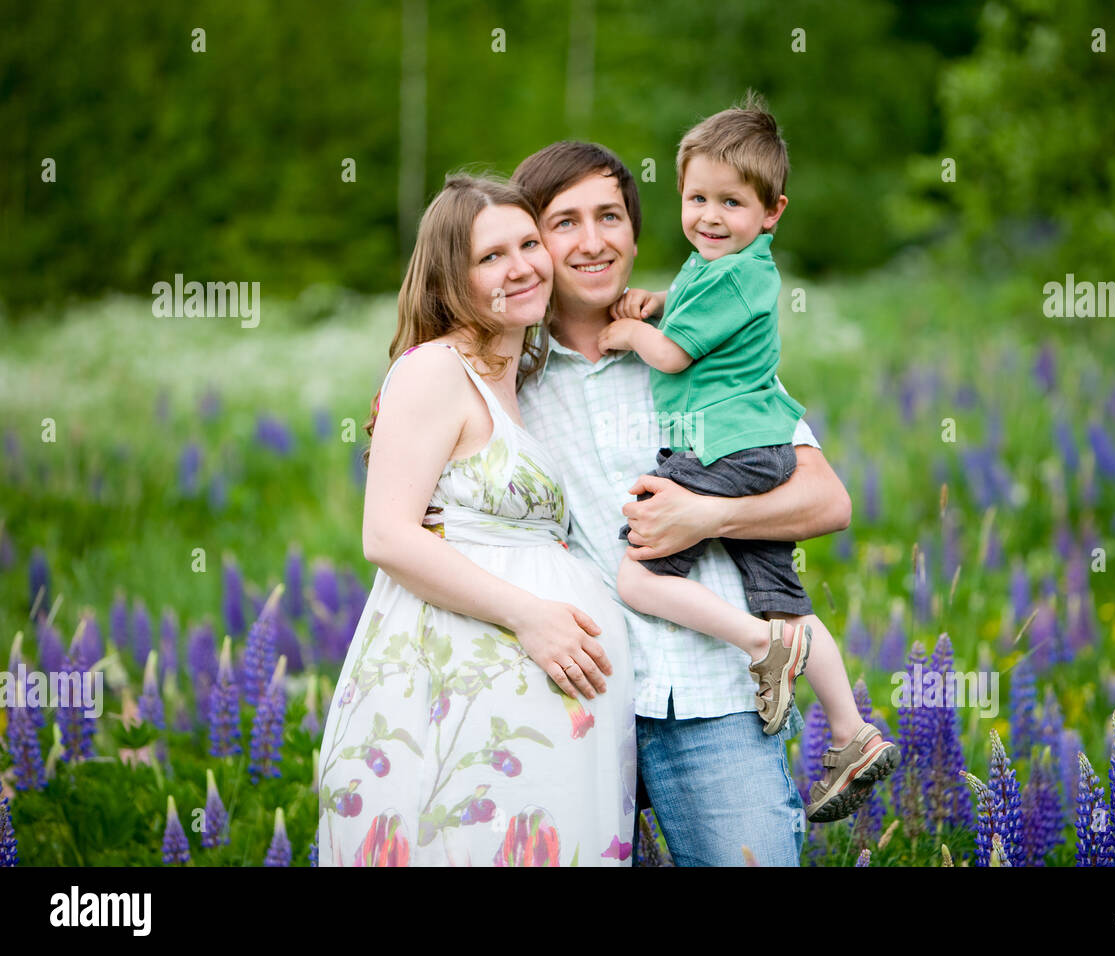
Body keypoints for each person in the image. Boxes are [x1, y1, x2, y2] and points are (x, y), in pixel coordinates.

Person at [513, 141, 849, 865]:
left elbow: (827, 500)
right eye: (565, 222)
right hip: (576, 700)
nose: (594, 240)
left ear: (636, 234)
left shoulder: (702, 353)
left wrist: (711, 517)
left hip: (714, 694)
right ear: (532, 243)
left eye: (610, 217)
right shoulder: (513, 382)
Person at [317, 174, 635, 867]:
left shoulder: (520, 374)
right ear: (450, 278)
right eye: (492, 256)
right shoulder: (434, 371)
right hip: (449, 707)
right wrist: (532, 616)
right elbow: (387, 536)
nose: (522, 265)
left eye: (529, 243)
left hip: (538, 728)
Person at [598, 95, 899, 824]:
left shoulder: (735, 273)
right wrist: (660, 300)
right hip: (757, 450)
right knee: (783, 597)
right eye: (696, 197)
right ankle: (852, 731)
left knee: (637, 576)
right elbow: (696, 306)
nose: (708, 215)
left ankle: (760, 646)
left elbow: (669, 354)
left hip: (723, 448)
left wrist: (629, 334)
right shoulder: (726, 264)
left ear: (773, 212)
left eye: (731, 202)